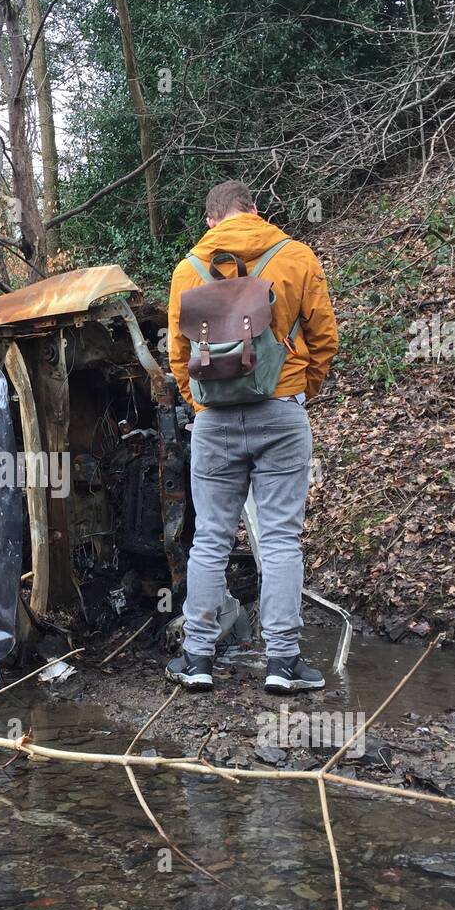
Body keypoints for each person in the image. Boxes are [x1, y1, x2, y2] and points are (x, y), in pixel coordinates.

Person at [164, 180, 339, 692]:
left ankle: (197, 659)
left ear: (210, 222)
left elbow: (179, 353)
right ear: (255, 210)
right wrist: (298, 389)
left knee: (210, 540)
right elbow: (325, 337)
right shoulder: (296, 256)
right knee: (282, 538)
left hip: (214, 420)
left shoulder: (187, 270)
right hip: (280, 412)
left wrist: (199, 402)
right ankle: (282, 663)